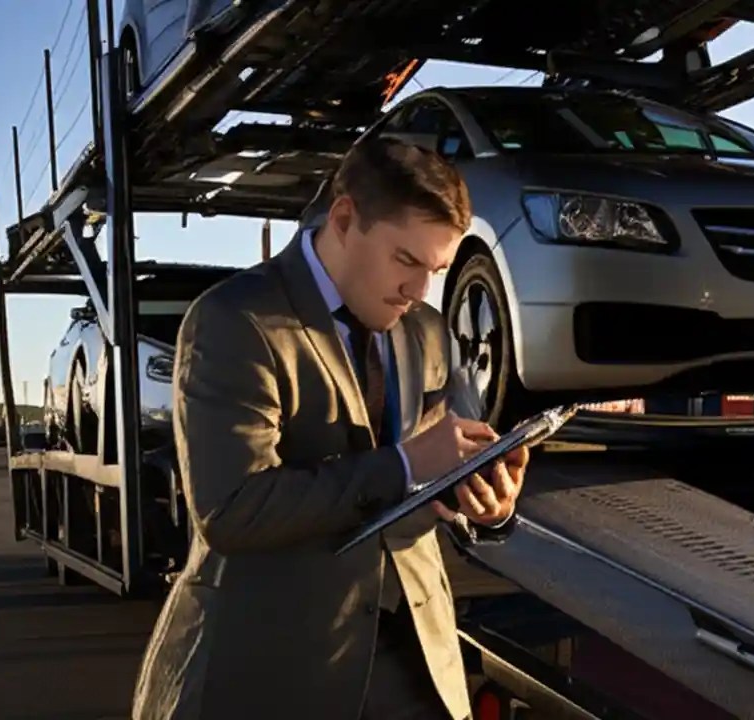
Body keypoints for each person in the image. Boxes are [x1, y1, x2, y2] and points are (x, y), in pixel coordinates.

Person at [132, 136, 528, 720]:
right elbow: (231, 509)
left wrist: (484, 502)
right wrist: (405, 464)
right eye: (406, 260)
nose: (419, 290)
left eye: (436, 270)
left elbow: (432, 480)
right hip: (274, 672)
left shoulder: (427, 331)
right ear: (344, 219)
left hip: (415, 664)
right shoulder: (235, 320)